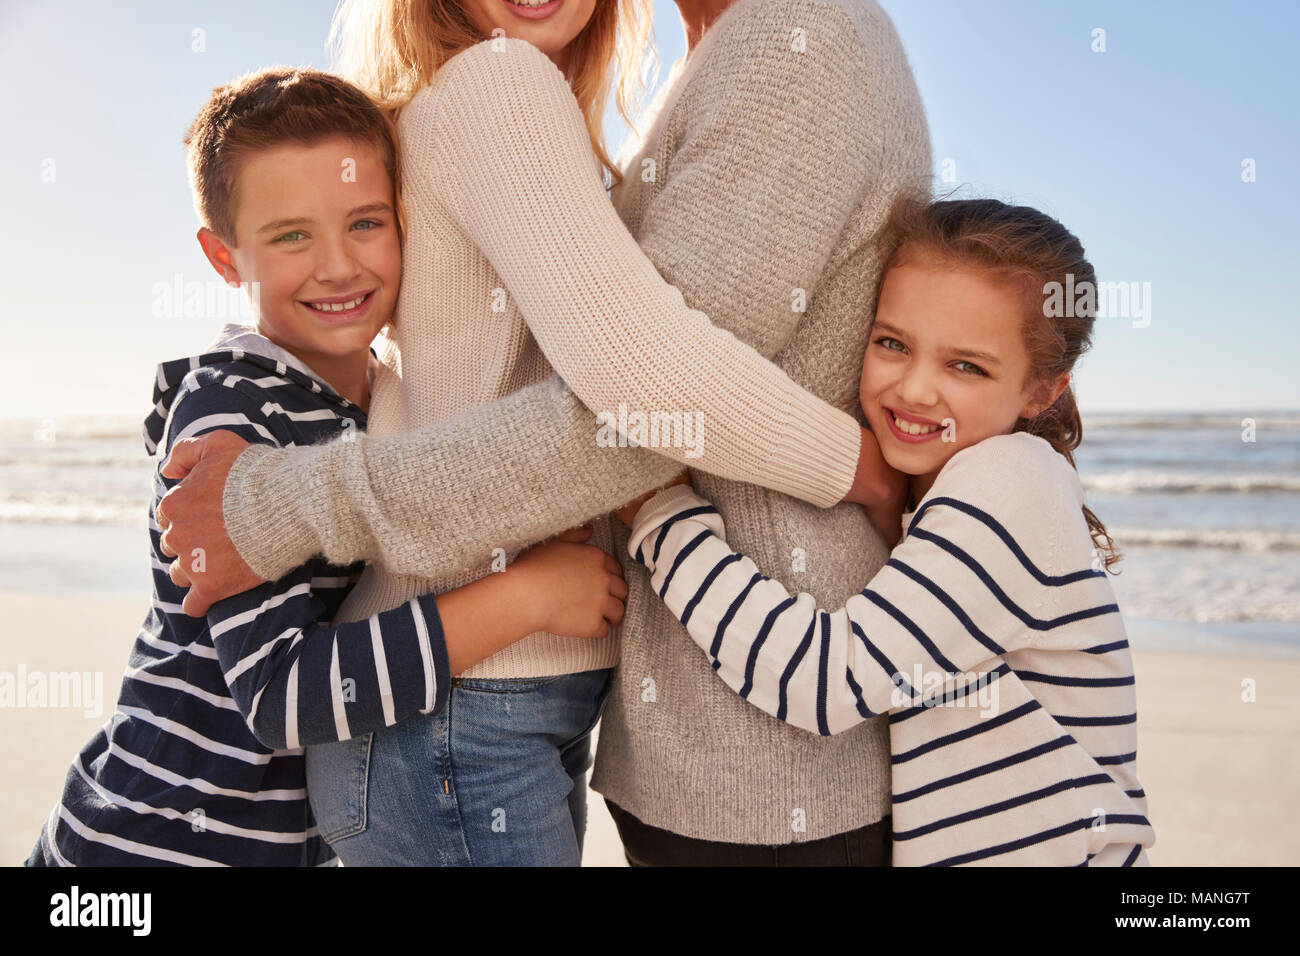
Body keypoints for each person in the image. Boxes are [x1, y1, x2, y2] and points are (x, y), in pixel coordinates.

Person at [155, 0, 930, 865]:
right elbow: (644, 378)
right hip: (460, 710)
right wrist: (855, 464)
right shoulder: (501, 81)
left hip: (484, 711)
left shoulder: (520, 97)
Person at [25, 67, 623, 866]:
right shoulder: (228, 418)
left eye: (367, 222)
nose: (339, 266)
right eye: (291, 235)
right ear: (221, 255)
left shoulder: (381, 395)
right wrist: (529, 596)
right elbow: (283, 696)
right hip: (149, 845)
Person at [616, 196, 1157, 865]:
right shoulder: (974, 487)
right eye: (892, 343)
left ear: (1041, 392)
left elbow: (820, 682)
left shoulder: (1008, 482)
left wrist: (662, 517)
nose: (915, 388)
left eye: (967, 366)